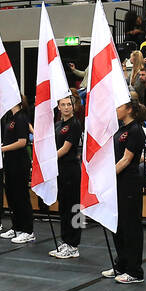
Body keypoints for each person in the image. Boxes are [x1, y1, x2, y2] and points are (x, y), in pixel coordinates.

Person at [101, 100, 146, 284]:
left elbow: (127, 159)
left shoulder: (136, 130)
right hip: (117, 183)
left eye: (119, 106)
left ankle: (134, 271)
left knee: (131, 226)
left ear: (129, 109)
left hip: (129, 183)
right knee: (118, 225)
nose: (115, 109)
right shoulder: (120, 129)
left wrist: (106, 177)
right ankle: (121, 264)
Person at [49, 95, 83, 259]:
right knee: (63, 207)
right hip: (60, 170)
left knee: (73, 207)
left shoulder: (75, 124)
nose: (67, 107)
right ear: (59, 107)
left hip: (71, 170)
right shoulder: (58, 125)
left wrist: (48, 160)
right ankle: (66, 241)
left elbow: (65, 148)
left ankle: (74, 245)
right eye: (63, 104)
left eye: (69, 104)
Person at [0, 101, 34, 244]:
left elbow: (22, 142)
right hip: (10, 161)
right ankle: (17, 227)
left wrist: (1, 149)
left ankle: (28, 231)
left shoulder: (21, 118)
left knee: (21, 196)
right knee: (12, 196)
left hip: (20, 162)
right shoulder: (10, 117)